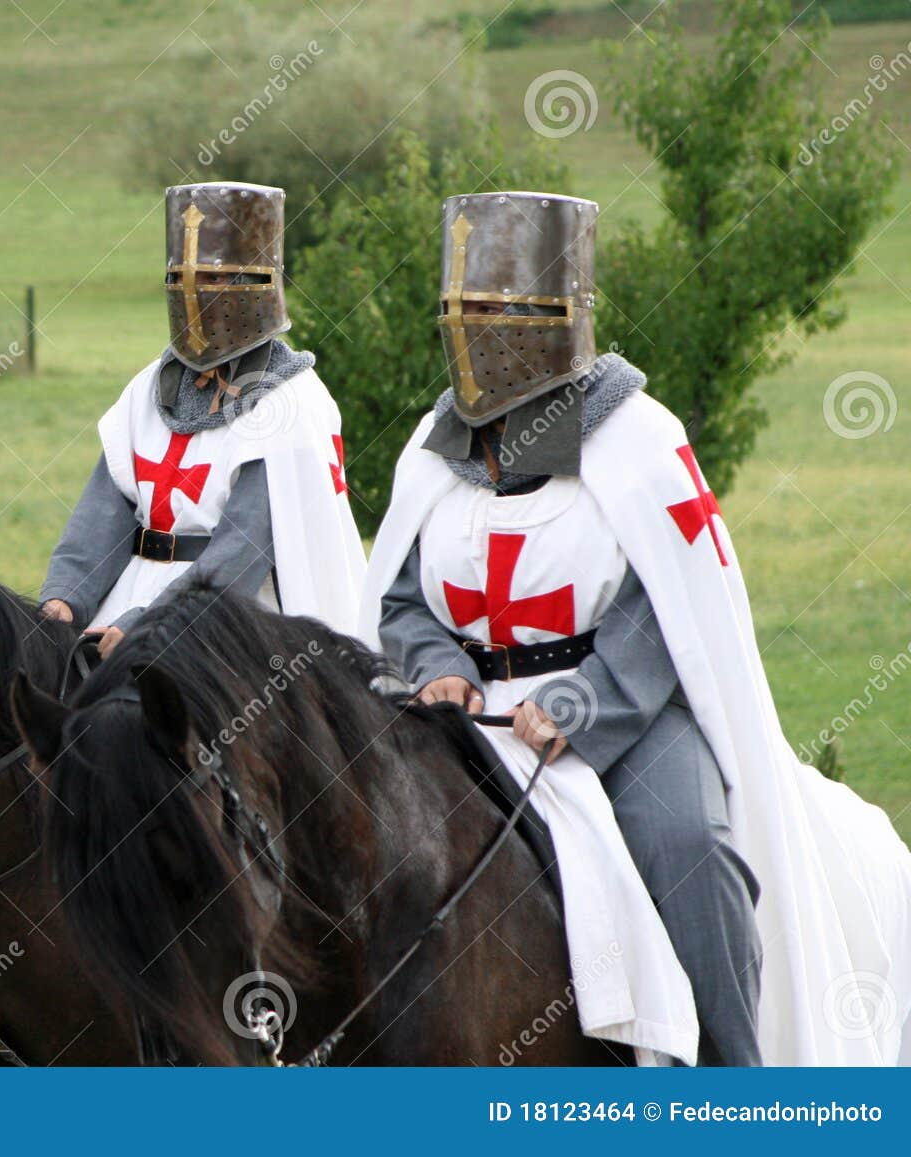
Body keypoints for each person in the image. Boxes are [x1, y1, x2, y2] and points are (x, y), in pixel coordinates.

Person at [361, 190, 911, 1065]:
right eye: (462, 311)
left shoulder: (636, 437)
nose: (476, 333)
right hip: (462, 717)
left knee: (689, 847)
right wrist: (434, 663)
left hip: (627, 712)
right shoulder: (436, 444)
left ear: (555, 315)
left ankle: (737, 1088)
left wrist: (586, 702)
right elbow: (396, 597)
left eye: (498, 312)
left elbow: (675, 602)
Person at [41, 181, 364, 655]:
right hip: (121, 614)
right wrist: (62, 601)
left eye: (215, 280)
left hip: (233, 626)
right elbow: (104, 513)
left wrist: (147, 624)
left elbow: (240, 556)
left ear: (257, 286)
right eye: (183, 279)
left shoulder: (290, 406)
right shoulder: (149, 386)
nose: (196, 296)